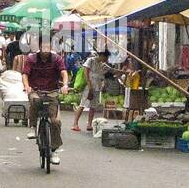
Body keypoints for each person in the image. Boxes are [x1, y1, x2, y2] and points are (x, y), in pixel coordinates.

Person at [23, 36, 69, 164]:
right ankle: (32, 127)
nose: (46, 49)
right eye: (43, 47)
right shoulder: (31, 59)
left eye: (48, 47)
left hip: (52, 92)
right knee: (34, 101)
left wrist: (65, 85)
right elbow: (25, 74)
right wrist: (27, 86)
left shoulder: (57, 59)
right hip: (36, 91)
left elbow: (64, 72)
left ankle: (54, 151)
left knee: (55, 122)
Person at [71, 48, 118, 133]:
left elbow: (113, 70)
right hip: (89, 87)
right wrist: (90, 87)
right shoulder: (90, 60)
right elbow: (86, 73)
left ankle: (89, 124)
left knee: (93, 106)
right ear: (102, 55)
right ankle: (75, 123)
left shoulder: (102, 65)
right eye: (106, 57)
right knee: (83, 104)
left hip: (97, 87)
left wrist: (124, 72)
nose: (106, 60)